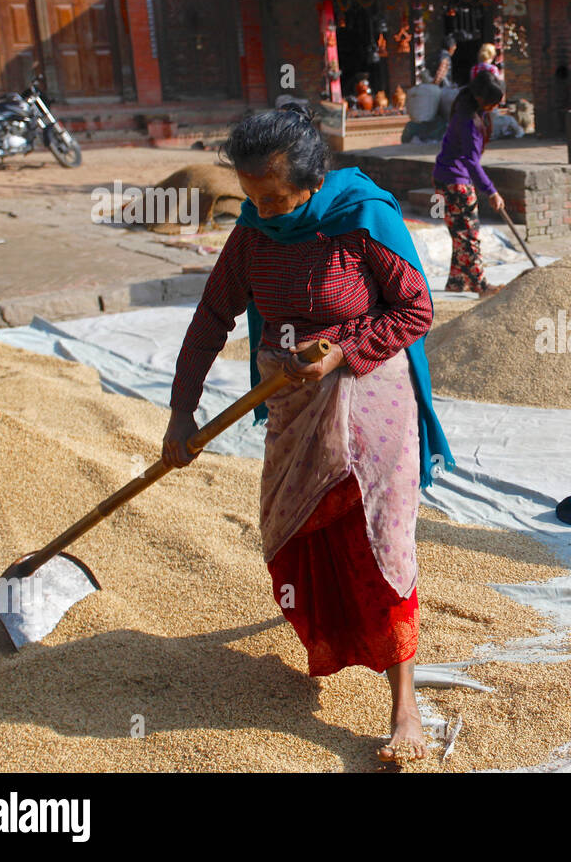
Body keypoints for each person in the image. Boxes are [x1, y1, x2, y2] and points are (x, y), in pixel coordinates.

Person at [161, 104, 453, 763]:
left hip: (368, 389)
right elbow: (211, 319)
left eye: (273, 197)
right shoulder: (255, 235)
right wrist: (182, 414)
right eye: (251, 198)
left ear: (312, 181)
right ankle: (338, 637)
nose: (262, 210)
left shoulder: (362, 219)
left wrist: (343, 350)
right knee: (291, 526)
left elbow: (416, 308)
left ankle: (403, 704)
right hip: (290, 402)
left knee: (378, 537)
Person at [433, 70, 506, 296]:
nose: (495, 107)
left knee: (459, 232)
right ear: (482, 98)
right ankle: (480, 284)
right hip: (456, 182)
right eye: (494, 103)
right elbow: (471, 162)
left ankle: (456, 281)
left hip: (445, 177)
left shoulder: (464, 106)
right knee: (469, 232)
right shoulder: (469, 121)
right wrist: (491, 191)